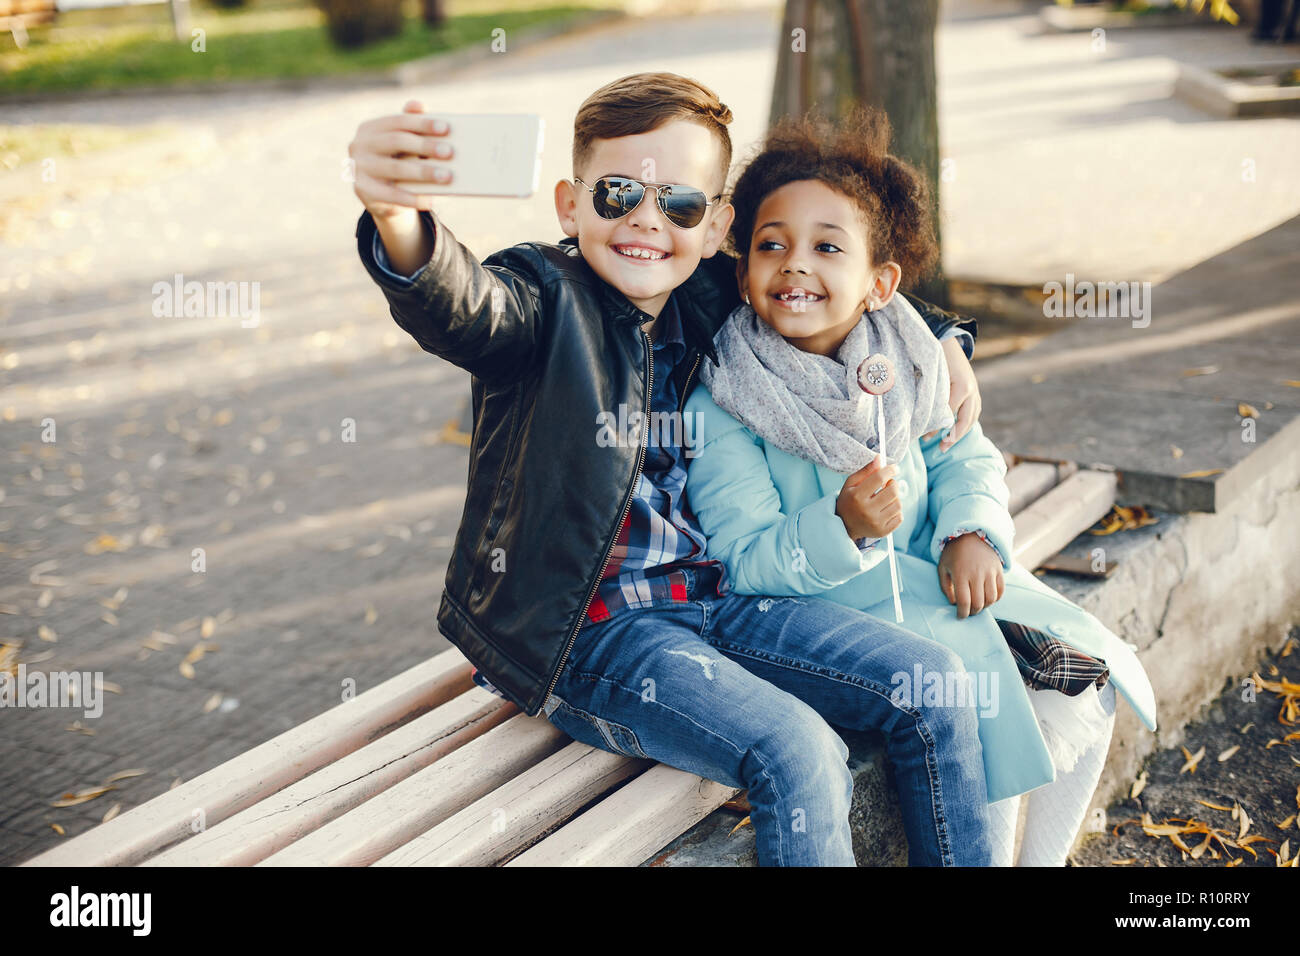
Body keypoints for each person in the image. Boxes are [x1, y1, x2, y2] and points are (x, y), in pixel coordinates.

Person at [348, 71, 994, 865]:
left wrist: (946, 343)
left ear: (716, 223)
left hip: (718, 598)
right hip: (591, 632)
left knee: (935, 684)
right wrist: (398, 219)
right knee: (796, 748)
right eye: (618, 194)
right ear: (569, 203)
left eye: (679, 204)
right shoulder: (543, 301)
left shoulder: (707, 294)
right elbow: (464, 305)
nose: (647, 223)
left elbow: (827, 284)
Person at [682, 107, 1159, 866]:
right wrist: (838, 527)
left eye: (826, 247)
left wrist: (971, 530)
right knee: (981, 702)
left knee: (1084, 679)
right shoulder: (727, 400)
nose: (794, 263)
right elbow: (741, 558)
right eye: (771, 246)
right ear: (743, 275)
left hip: (937, 578)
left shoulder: (910, 358)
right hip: (833, 610)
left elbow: (964, 456)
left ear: (879, 284)